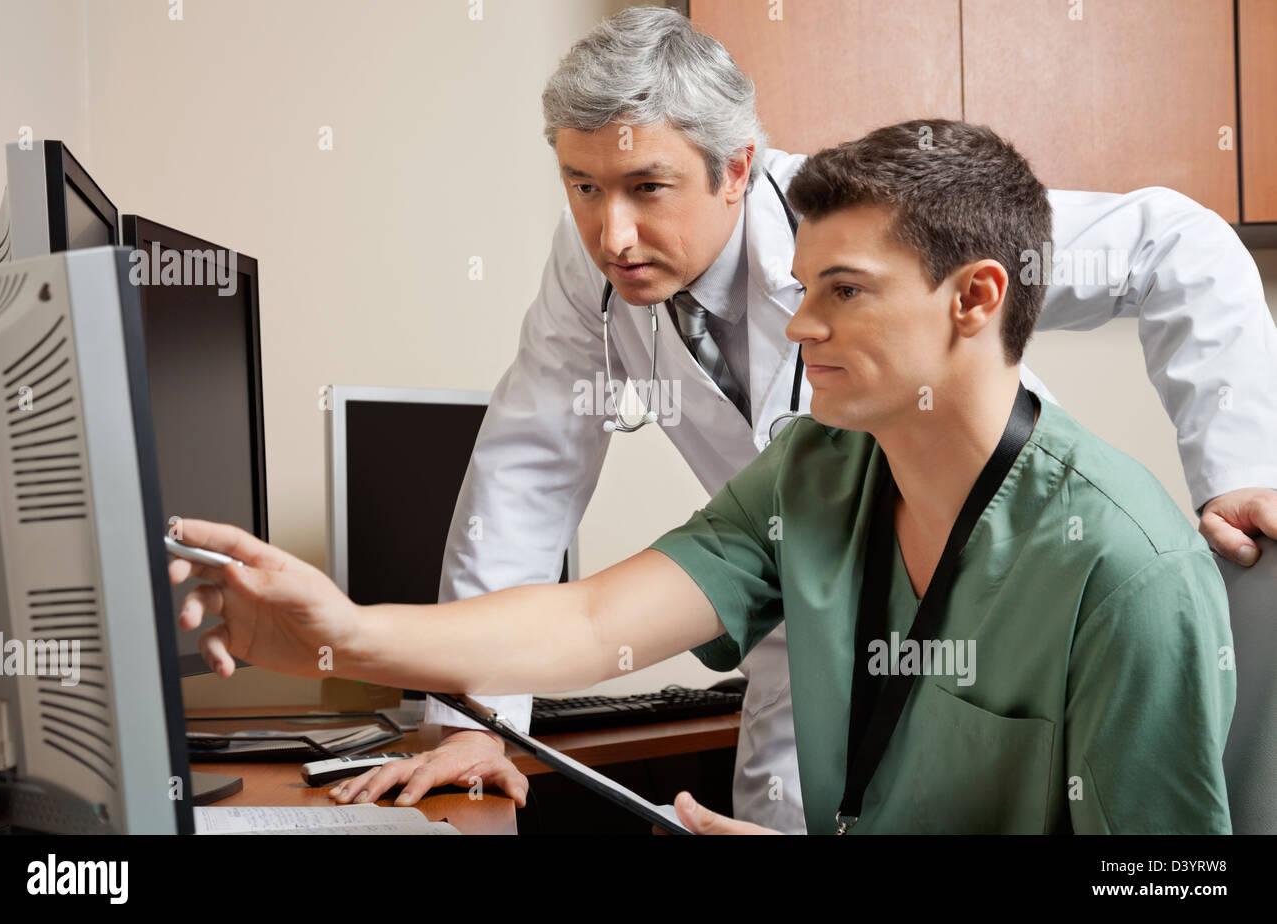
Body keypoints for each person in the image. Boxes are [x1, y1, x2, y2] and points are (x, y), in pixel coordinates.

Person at [169, 119, 1235, 834]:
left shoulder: (1125, 568)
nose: (798, 321)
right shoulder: (812, 474)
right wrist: (331, 631)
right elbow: (588, 620)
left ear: (973, 298)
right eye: (801, 284)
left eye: (844, 292)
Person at [367, 6, 1276, 832]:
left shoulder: (884, 228)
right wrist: (470, 720)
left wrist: (1243, 468)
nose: (611, 236)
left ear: (736, 169)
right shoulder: (780, 457)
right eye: (583, 186)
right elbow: (531, 484)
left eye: (646, 187)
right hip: (806, 612)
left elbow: (1173, 242)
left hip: (1002, 592)